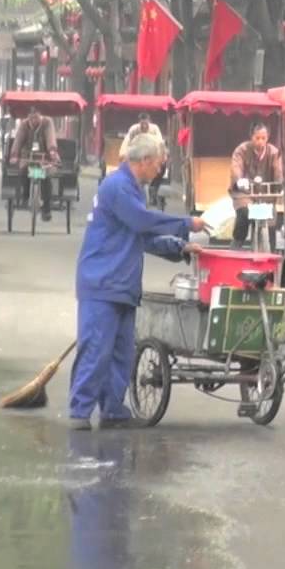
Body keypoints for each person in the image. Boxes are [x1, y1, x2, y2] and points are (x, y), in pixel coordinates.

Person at [70, 133, 207, 430]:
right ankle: (80, 410)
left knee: (121, 353)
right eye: (158, 165)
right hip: (102, 281)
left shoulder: (132, 189)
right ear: (144, 161)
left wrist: (179, 247)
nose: (159, 171)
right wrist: (185, 224)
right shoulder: (117, 187)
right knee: (96, 349)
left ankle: (112, 409)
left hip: (122, 284)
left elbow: (142, 236)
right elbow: (143, 222)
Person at [230, 122, 284, 246]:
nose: (260, 142)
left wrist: (280, 183)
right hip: (244, 193)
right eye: (257, 138)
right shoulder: (241, 150)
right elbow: (236, 167)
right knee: (243, 215)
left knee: (271, 225)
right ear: (251, 137)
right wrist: (239, 180)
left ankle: (271, 255)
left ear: (268, 138)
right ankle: (236, 246)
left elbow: (278, 170)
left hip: (266, 194)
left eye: (263, 138)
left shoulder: (274, 153)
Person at [9, 107, 62, 222]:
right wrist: (14, 154)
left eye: (36, 117)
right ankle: (25, 195)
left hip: (45, 158)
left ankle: (46, 208)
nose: (33, 120)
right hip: (28, 158)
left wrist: (52, 151)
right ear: (28, 117)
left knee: (46, 178)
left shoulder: (47, 122)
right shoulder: (24, 125)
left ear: (40, 115)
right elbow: (18, 140)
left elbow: (50, 137)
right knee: (23, 172)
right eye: (31, 117)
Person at [124, 113, 166, 205]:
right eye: (142, 124)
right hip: (137, 156)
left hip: (151, 155)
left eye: (146, 124)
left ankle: (154, 187)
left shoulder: (155, 129)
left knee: (162, 167)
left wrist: (163, 156)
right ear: (139, 123)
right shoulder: (134, 130)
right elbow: (127, 144)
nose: (144, 126)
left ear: (149, 122)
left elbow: (160, 143)